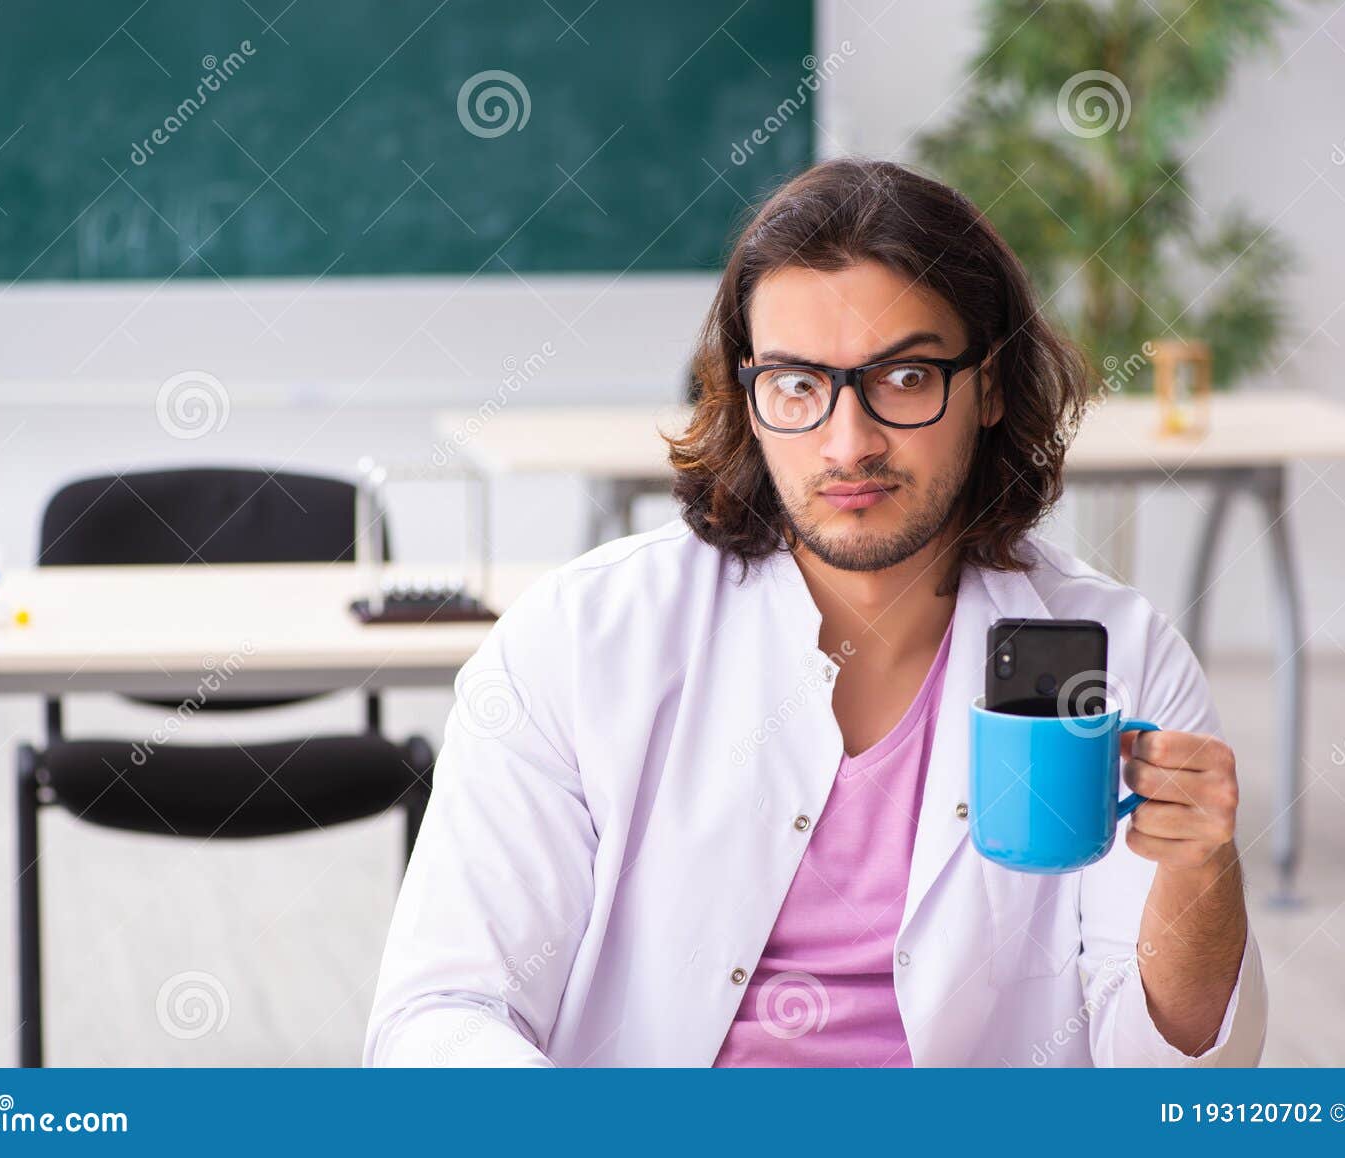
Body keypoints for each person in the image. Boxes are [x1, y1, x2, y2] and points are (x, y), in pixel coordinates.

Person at [363, 157, 1266, 1067]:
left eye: (906, 378)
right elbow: (442, 1012)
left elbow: (1172, 1076)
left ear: (989, 385)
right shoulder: (579, 641)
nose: (850, 443)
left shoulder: (1120, 654)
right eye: (798, 384)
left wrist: (1199, 873)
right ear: (748, 398)